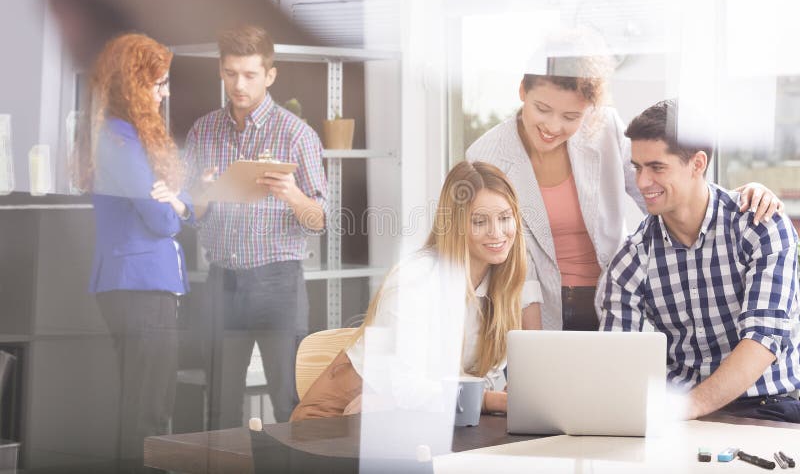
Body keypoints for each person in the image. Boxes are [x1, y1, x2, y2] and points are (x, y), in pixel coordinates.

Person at [466, 29, 784, 332]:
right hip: (533, 307)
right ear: (523, 91)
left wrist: (733, 201)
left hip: (616, 297)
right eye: (542, 109)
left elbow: (661, 189)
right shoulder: (486, 155)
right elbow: (496, 254)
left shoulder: (604, 129)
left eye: (571, 117)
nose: (552, 126)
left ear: (589, 110)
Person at [600, 99, 800, 422]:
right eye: (637, 167)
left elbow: (763, 340)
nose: (641, 182)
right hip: (680, 416)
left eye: (656, 167)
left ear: (697, 164)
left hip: (766, 409)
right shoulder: (632, 259)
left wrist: (688, 407)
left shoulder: (759, 228)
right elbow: (618, 360)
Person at [291, 160, 527, 421]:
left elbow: (480, 384)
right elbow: (406, 388)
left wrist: (501, 396)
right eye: (480, 221)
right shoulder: (418, 278)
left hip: (416, 420)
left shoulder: (501, 284)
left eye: (505, 218)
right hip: (334, 423)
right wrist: (486, 399)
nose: (497, 233)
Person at [183, 24, 327, 426]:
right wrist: (202, 192)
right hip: (222, 282)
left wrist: (293, 195)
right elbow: (189, 215)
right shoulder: (204, 131)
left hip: (278, 284)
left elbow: (319, 221)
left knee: (288, 403)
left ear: (270, 74)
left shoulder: (297, 135)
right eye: (231, 74)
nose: (239, 85)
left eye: (249, 75)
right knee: (220, 407)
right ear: (221, 71)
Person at [80, 33, 191, 472]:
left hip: (138, 285)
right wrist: (179, 207)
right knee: (148, 408)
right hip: (140, 286)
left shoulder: (118, 135)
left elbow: (170, 206)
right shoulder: (121, 140)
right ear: (134, 86)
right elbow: (160, 218)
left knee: (143, 402)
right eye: (159, 83)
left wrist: (179, 202)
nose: (165, 92)